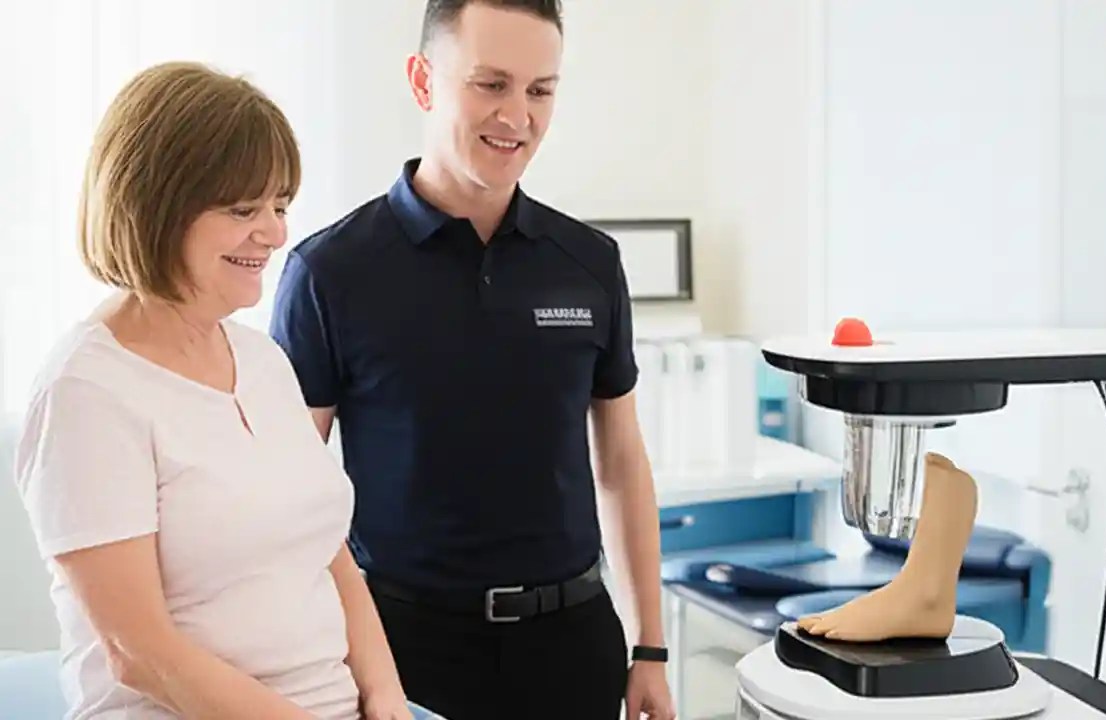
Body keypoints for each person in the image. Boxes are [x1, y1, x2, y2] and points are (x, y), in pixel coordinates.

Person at [268, 1, 677, 718]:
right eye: (491, 84)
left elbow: (620, 463)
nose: (518, 117)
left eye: (540, 90)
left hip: (572, 646)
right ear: (423, 81)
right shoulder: (329, 272)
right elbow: (288, 498)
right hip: (399, 653)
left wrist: (650, 647)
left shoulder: (588, 263)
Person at [12, 61, 416, 720]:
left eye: (279, 206)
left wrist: (387, 696)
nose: (275, 233)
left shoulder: (261, 361)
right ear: (157, 205)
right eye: (242, 209)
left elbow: (328, 552)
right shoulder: (86, 392)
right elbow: (140, 654)